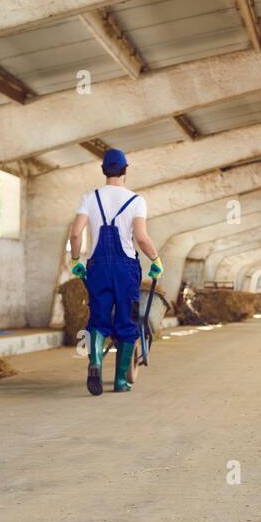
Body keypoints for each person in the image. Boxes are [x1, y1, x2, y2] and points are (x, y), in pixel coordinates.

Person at [67, 148, 163, 395]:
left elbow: (76, 233)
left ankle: (95, 362)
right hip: (126, 269)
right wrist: (156, 259)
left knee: (97, 320)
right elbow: (141, 238)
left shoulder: (90, 197)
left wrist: (75, 259)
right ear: (125, 171)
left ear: (103, 170)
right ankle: (121, 381)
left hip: (97, 267)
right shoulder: (136, 200)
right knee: (127, 322)